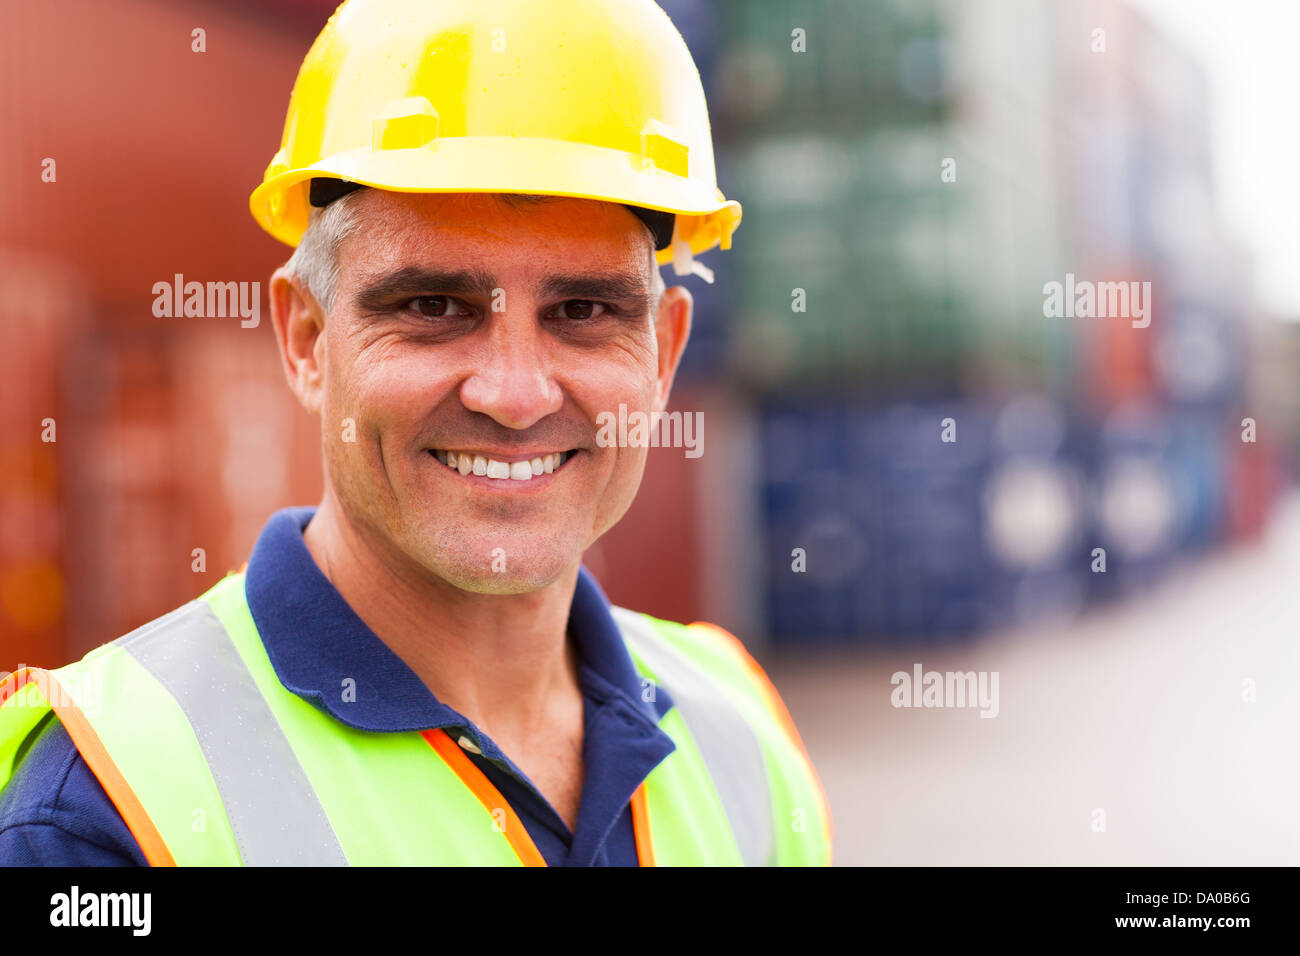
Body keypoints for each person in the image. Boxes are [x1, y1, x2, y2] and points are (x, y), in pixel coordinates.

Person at [0, 0, 831, 866]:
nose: (514, 395)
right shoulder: (108, 810)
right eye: (434, 307)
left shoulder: (742, 742)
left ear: (663, 356)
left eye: (583, 311)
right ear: (308, 340)